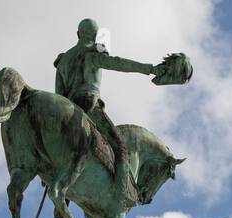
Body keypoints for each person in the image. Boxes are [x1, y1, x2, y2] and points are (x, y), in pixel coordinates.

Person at [54, 18, 160, 199]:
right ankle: (122, 194)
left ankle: (63, 200)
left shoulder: (63, 61)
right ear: (95, 36)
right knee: (120, 149)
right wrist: (150, 69)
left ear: (78, 34)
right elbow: (120, 64)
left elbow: (59, 95)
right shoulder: (94, 54)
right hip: (89, 106)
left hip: (69, 110)